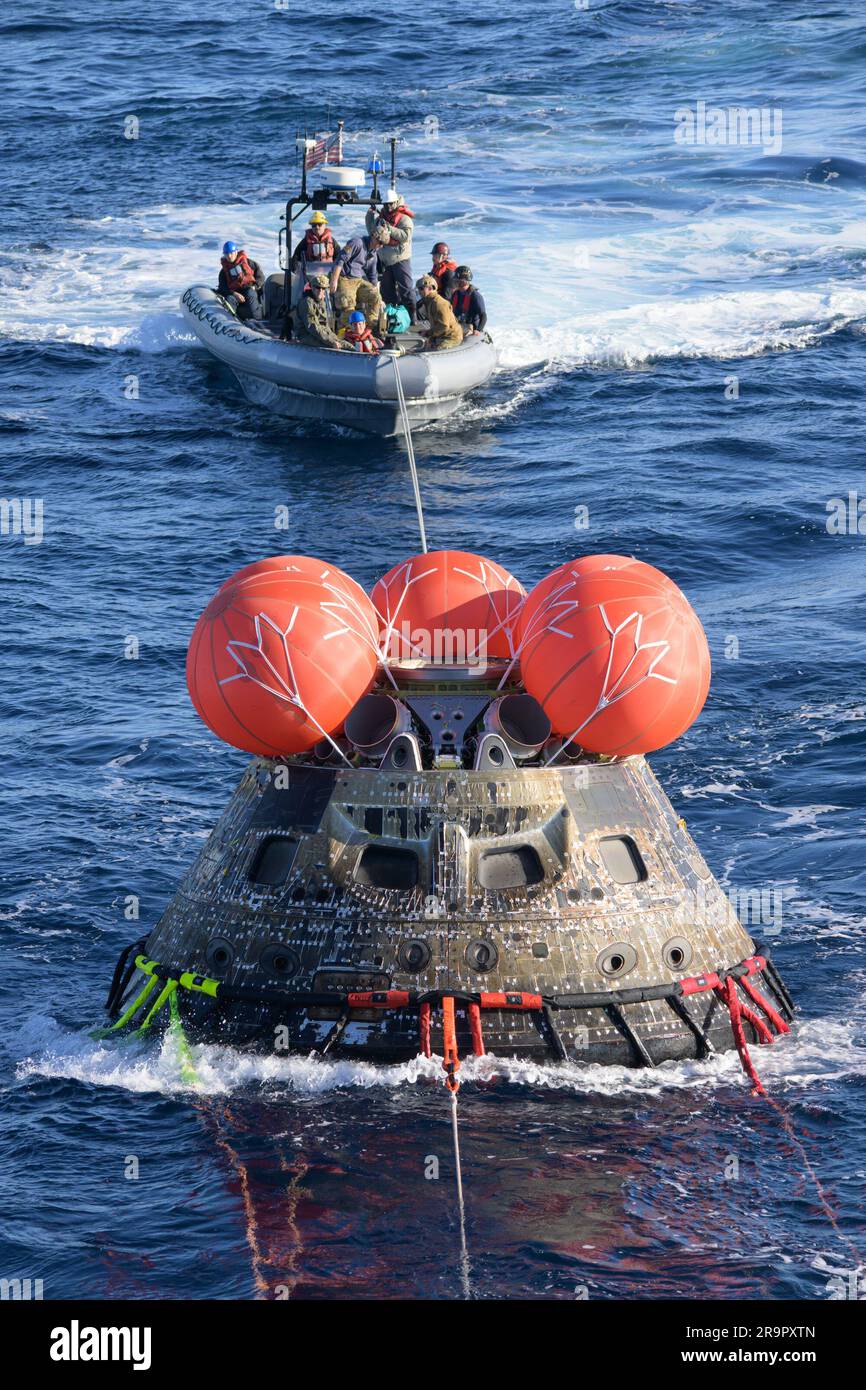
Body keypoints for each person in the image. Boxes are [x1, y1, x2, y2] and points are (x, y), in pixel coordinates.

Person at [366, 188, 417, 324]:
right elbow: (372, 231)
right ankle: (392, 317)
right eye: (386, 204)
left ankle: (413, 317)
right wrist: (370, 215)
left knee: (406, 289)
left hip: (400, 259)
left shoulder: (404, 219)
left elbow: (406, 235)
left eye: (391, 204)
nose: (388, 207)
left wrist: (390, 229)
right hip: (385, 261)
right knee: (387, 290)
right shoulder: (380, 219)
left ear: (396, 203)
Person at [330, 229, 388, 334]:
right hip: (344, 277)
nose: (381, 245)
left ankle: (370, 327)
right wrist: (334, 281)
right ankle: (346, 330)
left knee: (375, 297)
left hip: (358, 280)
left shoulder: (373, 255)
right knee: (347, 304)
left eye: (383, 244)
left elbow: (372, 276)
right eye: (380, 242)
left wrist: (379, 296)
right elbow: (340, 260)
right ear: (373, 237)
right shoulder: (356, 243)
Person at [294, 274, 351, 350]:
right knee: (333, 347)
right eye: (317, 287)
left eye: (323, 288)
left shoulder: (322, 301)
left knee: (345, 345)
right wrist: (331, 342)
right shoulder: (307, 302)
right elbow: (312, 327)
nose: (320, 291)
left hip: (321, 333)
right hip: (306, 335)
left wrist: (334, 338)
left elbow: (324, 325)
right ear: (312, 288)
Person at [218, 241, 265, 320]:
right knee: (229, 299)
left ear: (236, 252)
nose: (229, 256)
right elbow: (222, 287)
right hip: (235, 293)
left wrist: (254, 287)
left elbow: (260, 277)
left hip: (250, 289)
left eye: (231, 253)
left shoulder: (249, 263)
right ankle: (232, 323)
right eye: (226, 254)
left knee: (250, 293)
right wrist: (234, 293)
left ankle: (258, 320)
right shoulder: (223, 272)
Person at [415, 275, 463, 351]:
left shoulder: (439, 304)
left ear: (430, 288)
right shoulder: (428, 302)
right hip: (441, 335)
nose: (419, 291)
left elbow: (444, 326)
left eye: (421, 289)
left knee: (435, 351)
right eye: (418, 289)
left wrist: (428, 333)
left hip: (451, 337)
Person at [450, 265, 487, 333]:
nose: (457, 284)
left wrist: (478, 330)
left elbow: (483, 315)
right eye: (456, 281)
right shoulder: (455, 294)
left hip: (471, 327)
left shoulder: (475, 296)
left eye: (459, 282)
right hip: (458, 324)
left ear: (466, 281)